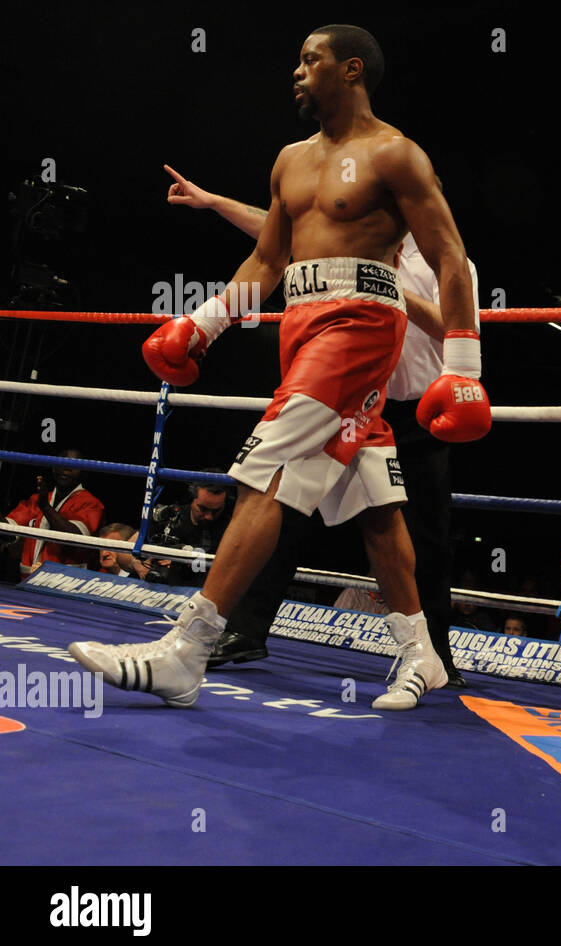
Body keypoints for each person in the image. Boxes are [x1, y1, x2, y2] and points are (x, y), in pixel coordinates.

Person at [68, 24, 490, 711]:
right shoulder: (290, 160)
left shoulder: (396, 154)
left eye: (310, 59)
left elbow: (448, 257)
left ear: (351, 70)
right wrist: (202, 324)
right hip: (301, 324)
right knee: (373, 499)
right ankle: (422, 653)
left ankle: (188, 648)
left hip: (358, 327)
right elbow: (267, 262)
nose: (296, 72)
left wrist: (464, 365)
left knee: (264, 470)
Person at [164, 168, 474, 686]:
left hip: (417, 412)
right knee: (281, 508)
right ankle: (238, 632)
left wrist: (384, 284)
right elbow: (278, 235)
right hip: (343, 393)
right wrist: (216, 200)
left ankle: (432, 653)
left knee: (416, 533)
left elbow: (454, 326)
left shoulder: (450, 261)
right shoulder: (356, 239)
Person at [3, 449, 105, 577]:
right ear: (53, 468)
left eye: (74, 465)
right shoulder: (36, 500)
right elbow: (7, 531)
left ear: (84, 473)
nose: (66, 469)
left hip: (66, 583)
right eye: (62, 463)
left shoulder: (90, 504)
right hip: (27, 580)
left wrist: (46, 507)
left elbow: (74, 539)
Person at [143, 480, 232, 586]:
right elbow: (124, 557)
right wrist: (137, 565)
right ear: (191, 500)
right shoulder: (171, 516)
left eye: (216, 510)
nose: (209, 516)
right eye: (203, 509)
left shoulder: (231, 528)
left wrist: (178, 562)